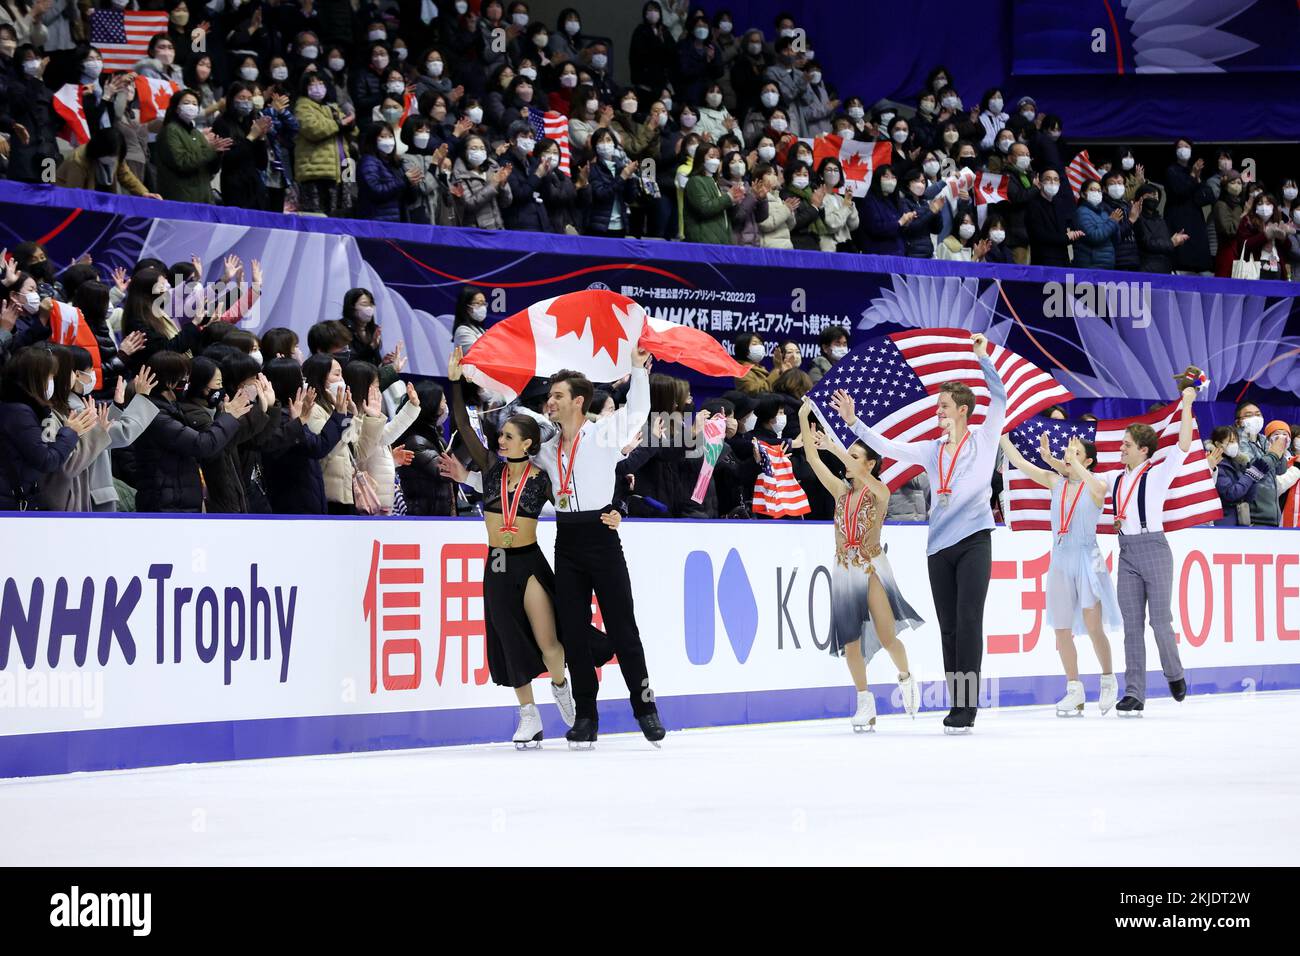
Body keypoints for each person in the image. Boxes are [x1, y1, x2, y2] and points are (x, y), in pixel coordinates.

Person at [438, 348, 626, 746]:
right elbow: (461, 423)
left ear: (527, 444)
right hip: (496, 563)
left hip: (528, 562)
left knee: (549, 642)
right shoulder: (489, 472)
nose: (500, 441)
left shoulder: (542, 477)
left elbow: (586, 489)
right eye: (500, 437)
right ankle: (528, 714)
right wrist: (455, 381)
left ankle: (561, 686)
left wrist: (613, 510)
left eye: (508, 437)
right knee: (508, 640)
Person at [831, 333, 1003, 733]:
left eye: (944, 406)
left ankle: (966, 704)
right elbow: (887, 448)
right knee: (949, 627)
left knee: (968, 620)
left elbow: (999, 397)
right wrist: (854, 421)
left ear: (962, 410)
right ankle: (955, 699)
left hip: (975, 540)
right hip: (939, 546)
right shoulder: (931, 450)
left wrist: (983, 358)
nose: (938, 411)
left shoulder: (984, 438)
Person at [512, 351, 664, 747]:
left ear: (579, 400)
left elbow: (640, 409)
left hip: (601, 537)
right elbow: (509, 431)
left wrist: (635, 369)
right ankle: (585, 716)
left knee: (622, 626)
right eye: (550, 395)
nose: (551, 401)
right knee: (575, 634)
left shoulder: (604, 433)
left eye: (559, 395)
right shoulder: (545, 446)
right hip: (567, 541)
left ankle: (645, 708)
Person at [797, 399, 921, 731]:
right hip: (844, 569)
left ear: (871, 463)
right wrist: (803, 415)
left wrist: (836, 449)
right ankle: (864, 700)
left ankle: (906, 678)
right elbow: (811, 457)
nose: (847, 462)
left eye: (855, 457)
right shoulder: (841, 492)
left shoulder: (880, 491)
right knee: (850, 640)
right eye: (849, 456)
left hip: (871, 567)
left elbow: (874, 487)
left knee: (886, 633)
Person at [1000, 433, 1121, 716]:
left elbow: (1095, 485)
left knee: (1093, 625)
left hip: (1087, 558)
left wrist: (1063, 461)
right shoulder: (1056, 483)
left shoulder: (1097, 484)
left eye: (1075, 452)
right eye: (1067, 450)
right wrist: (1001, 434)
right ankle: (1074, 689)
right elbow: (1018, 461)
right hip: (1060, 561)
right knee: (1062, 629)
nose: (1068, 455)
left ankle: (1107, 679)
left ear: (1088, 461)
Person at [1106, 374, 1200, 715]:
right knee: (1131, 626)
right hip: (1127, 551)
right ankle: (1134, 692)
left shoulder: (1158, 472)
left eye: (1126, 445)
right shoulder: (1116, 478)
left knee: (1159, 621)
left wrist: (1186, 405)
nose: (1121, 448)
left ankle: (1174, 672)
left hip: (1155, 549)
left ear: (1143, 450)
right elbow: (1087, 480)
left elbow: (1185, 445)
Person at [0, 347, 95, 511]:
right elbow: (46, 460)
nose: (52, 381)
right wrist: (70, 432)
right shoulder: (19, 413)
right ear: (36, 377)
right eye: (50, 376)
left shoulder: (23, 408)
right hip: (11, 500)